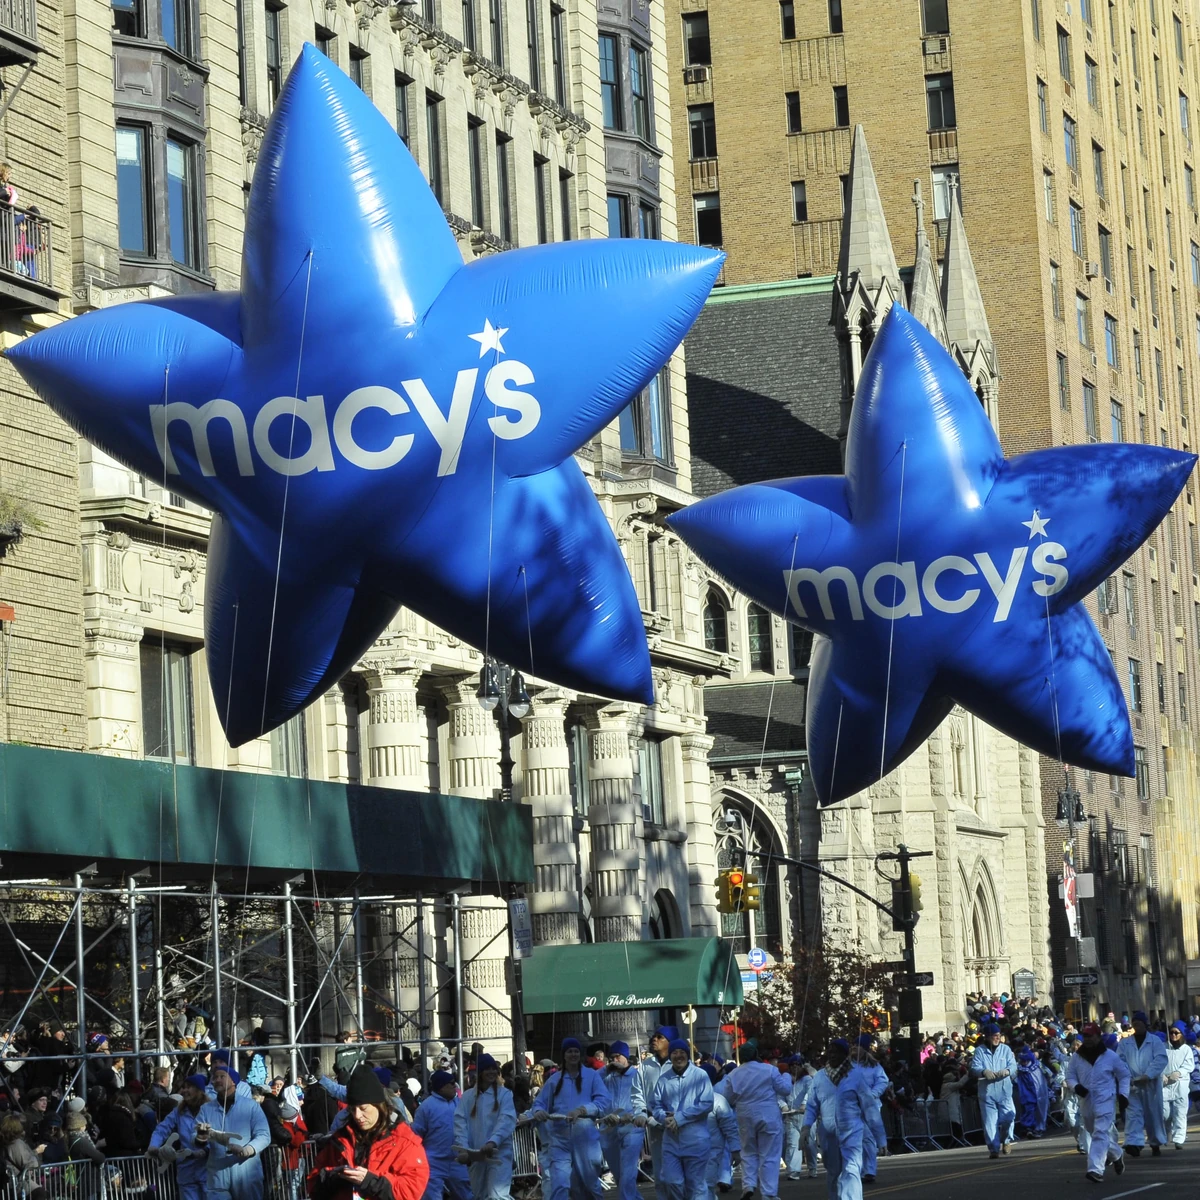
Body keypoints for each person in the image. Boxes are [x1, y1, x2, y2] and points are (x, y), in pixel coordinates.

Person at [308, 1065, 428, 1200]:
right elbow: (313, 1186)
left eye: (363, 1108)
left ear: (378, 1106)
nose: (357, 1115)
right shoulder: (339, 1140)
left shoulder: (405, 1141)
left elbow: (412, 1190)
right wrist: (335, 1177)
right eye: (352, 1109)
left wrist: (370, 1181)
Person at [528, 1038, 610, 1200]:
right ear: (564, 1055)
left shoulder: (592, 1076)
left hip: (586, 1141)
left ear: (580, 1054)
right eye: (569, 1051)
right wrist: (538, 1112)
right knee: (560, 1185)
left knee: (589, 1187)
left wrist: (583, 1110)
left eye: (576, 1051)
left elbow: (604, 1102)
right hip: (560, 1141)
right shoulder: (554, 1080)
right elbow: (539, 1104)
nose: (573, 1054)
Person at [800, 1039, 875, 1200]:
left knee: (851, 1169)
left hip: (852, 1131)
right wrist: (806, 1127)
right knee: (833, 1172)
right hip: (828, 1133)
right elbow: (812, 1105)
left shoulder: (856, 1075)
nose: (832, 1055)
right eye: (830, 1051)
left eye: (836, 1051)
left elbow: (868, 1104)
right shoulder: (819, 1077)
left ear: (845, 1054)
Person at [716, 1046, 788, 1200]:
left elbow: (728, 1098)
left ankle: (748, 1184)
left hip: (745, 1114)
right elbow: (785, 1090)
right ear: (756, 1055)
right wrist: (787, 1076)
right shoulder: (769, 1070)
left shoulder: (733, 1074)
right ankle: (769, 1193)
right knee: (769, 1154)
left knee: (748, 1151)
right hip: (768, 1113)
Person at [1065, 1023, 1130, 1183]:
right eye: (1085, 1036)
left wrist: (1123, 1095)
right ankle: (1117, 1153)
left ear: (1098, 1036)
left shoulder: (1110, 1056)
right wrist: (1076, 1086)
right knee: (1094, 1132)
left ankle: (1095, 1169)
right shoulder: (1077, 1057)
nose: (1087, 1039)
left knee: (1100, 1133)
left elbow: (1124, 1075)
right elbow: (1070, 1076)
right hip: (1086, 1101)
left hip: (1105, 1100)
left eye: (1090, 1036)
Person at [196, 1063, 271, 1200]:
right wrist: (200, 1138)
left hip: (246, 1172)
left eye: (222, 1076)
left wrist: (248, 1149)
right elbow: (195, 1134)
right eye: (215, 1077)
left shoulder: (251, 1106)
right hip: (218, 1173)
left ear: (233, 1082)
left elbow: (264, 1135)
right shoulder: (206, 1109)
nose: (217, 1080)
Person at [650, 1039, 713, 1200]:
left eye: (682, 1052)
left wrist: (680, 1118)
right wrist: (665, 1118)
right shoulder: (664, 1079)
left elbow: (706, 1104)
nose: (678, 1056)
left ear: (688, 1054)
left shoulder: (700, 1075)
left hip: (696, 1140)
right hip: (671, 1141)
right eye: (675, 1053)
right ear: (670, 1055)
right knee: (672, 1181)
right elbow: (655, 1105)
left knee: (696, 1185)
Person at [454, 1054, 516, 1200]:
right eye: (487, 1069)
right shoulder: (468, 1096)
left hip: (498, 1154)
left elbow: (506, 1120)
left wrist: (493, 1142)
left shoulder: (504, 1094)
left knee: (497, 1195)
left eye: (493, 1069)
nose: (491, 1072)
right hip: (475, 1155)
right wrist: (463, 1149)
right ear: (480, 1072)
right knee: (479, 1195)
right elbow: (460, 1123)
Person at [410, 1070, 470, 1200]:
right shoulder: (426, 1107)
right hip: (433, 1162)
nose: (455, 1086)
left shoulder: (460, 1104)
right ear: (441, 1086)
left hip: (457, 1161)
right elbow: (416, 1135)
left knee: (467, 1195)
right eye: (452, 1084)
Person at [149, 1074, 210, 1200]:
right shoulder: (179, 1111)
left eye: (189, 1087)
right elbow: (162, 1129)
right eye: (184, 1087)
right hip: (186, 1170)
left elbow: (218, 1134)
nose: (184, 1090)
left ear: (199, 1090)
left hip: (207, 1170)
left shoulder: (211, 1110)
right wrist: (154, 1146)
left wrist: (206, 1150)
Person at [1116, 1011, 1168, 1156]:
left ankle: (1155, 1142)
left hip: (1150, 1086)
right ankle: (1134, 1143)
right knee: (1133, 1114)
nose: (1136, 1026)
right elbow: (1119, 1061)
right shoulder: (1125, 1043)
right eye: (1134, 1023)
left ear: (1145, 1024)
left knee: (1153, 1115)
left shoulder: (1155, 1041)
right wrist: (1127, 1076)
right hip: (1133, 1084)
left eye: (1139, 1023)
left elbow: (1161, 1059)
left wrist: (1148, 1074)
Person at [631, 1028, 674, 1200]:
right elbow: (637, 1093)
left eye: (660, 1037)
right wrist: (641, 1112)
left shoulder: (682, 1064)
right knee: (660, 1173)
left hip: (678, 1126)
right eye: (653, 1037)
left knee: (678, 1176)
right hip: (654, 1126)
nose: (654, 1040)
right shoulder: (645, 1067)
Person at [598, 1042, 643, 1200]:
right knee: (619, 1174)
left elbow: (642, 1100)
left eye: (618, 1056)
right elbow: (590, 1082)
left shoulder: (637, 1076)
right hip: (609, 1129)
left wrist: (633, 1115)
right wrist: (605, 1069)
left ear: (626, 1057)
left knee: (628, 1173)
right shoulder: (607, 1076)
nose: (614, 1060)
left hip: (631, 1128)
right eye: (611, 1058)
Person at [968, 1024, 1017, 1159]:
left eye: (999, 1035)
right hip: (987, 1092)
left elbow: (1013, 1065)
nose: (997, 1038)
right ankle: (994, 1149)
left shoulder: (1006, 1049)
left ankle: (1006, 1140)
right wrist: (983, 1071)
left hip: (1004, 1091)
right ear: (987, 1037)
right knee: (990, 1122)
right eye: (994, 1036)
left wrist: (1007, 1071)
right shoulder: (980, 1051)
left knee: (1009, 1117)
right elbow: (974, 1068)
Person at [850, 1036, 889, 1182]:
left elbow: (882, 1081)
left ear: (864, 1049)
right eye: (853, 1045)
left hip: (870, 1106)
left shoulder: (874, 1066)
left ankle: (869, 1170)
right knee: (855, 1138)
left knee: (868, 1138)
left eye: (857, 1045)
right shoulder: (847, 1065)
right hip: (852, 1106)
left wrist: (871, 1095)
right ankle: (856, 1169)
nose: (854, 1048)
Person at [781, 1057, 816, 1181]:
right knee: (793, 1144)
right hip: (790, 1116)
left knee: (809, 1143)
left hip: (806, 1116)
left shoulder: (807, 1079)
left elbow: (810, 1091)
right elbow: (779, 1094)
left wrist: (804, 1103)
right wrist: (783, 1105)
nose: (795, 1067)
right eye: (792, 1064)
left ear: (802, 1066)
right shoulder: (786, 1081)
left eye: (797, 1064)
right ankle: (793, 1170)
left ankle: (812, 1168)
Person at [1162, 1021, 1191, 1150]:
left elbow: (1189, 1065)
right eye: (1171, 1032)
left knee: (1180, 1113)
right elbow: (1157, 1062)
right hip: (1165, 1085)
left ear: (1182, 1034)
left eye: (1176, 1033)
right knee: (1165, 1113)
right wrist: (1161, 1075)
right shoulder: (1163, 1048)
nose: (1173, 1035)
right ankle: (1166, 1133)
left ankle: (1179, 1138)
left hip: (1180, 1084)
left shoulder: (1186, 1049)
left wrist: (1179, 1072)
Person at [1015, 1050, 1049, 1139]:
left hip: (1040, 1092)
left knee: (1041, 1110)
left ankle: (1039, 1128)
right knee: (1028, 1109)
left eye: (1025, 1061)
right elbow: (1013, 1078)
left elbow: (1049, 1074)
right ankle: (1029, 1128)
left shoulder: (1038, 1065)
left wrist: (1054, 1086)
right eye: (1022, 1061)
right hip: (1027, 1093)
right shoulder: (1019, 1069)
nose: (1024, 1063)